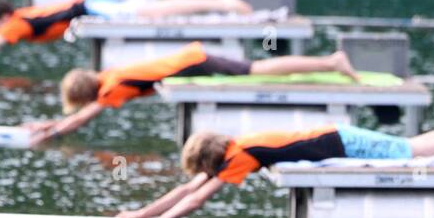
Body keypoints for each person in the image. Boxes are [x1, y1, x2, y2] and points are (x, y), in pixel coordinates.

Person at [114, 116, 434, 218]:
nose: (204, 175)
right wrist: (141, 213)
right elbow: (189, 189)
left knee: (416, 149)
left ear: (210, 159)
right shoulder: (237, 149)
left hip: (343, 143)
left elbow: (195, 197)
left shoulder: (239, 157)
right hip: (335, 137)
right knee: (417, 144)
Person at [26, 45, 362, 144]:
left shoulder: (111, 87)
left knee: (258, 69)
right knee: (257, 67)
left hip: (196, 63)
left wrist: (52, 131)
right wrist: (53, 123)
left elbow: (85, 117)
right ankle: (329, 61)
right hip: (192, 60)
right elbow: (84, 112)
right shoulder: (108, 77)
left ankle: (330, 62)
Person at [0, 0, 256, 74]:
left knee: (152, 11)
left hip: (91, 6)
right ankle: (220, 3)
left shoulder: (15, 25)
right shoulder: (18, 18)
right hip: (92, 2)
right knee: (152, 9)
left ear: (1, 18)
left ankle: (222, 2)